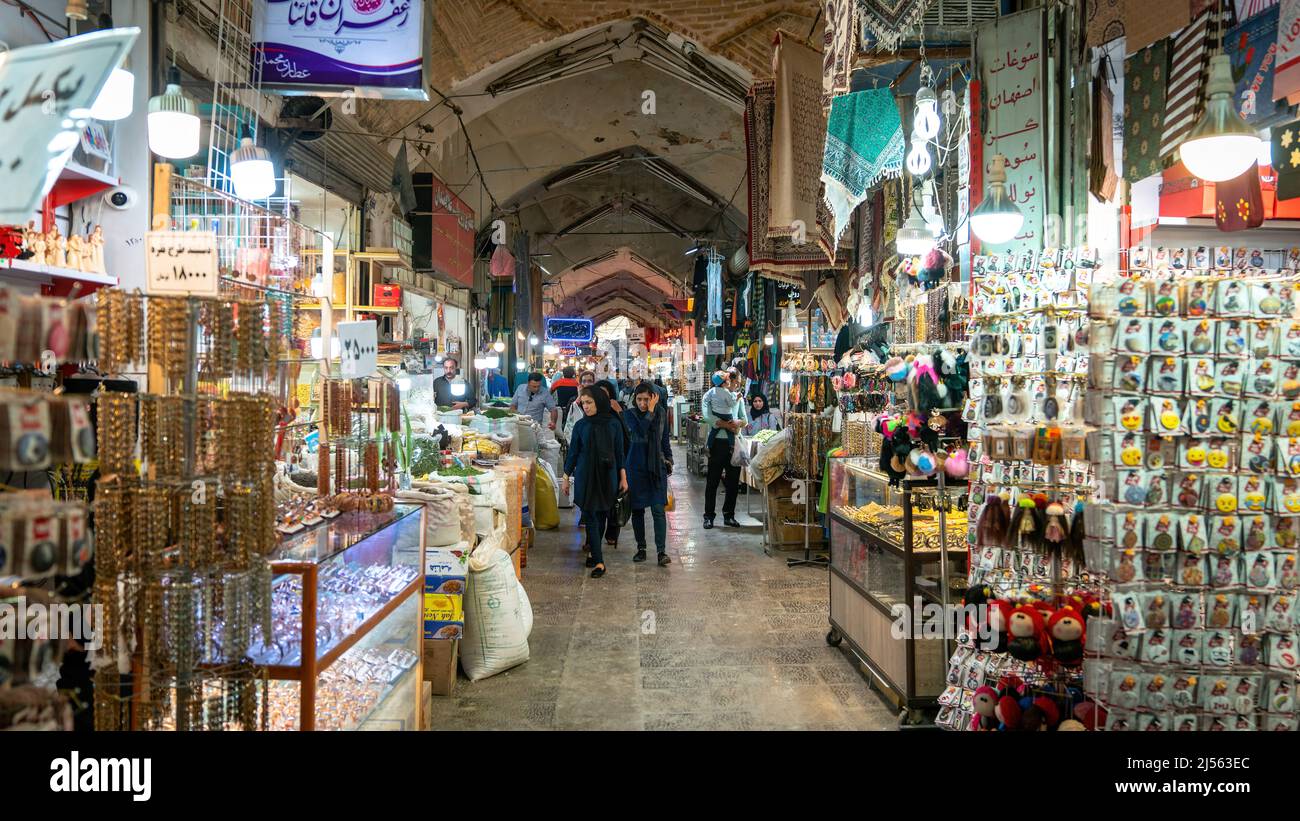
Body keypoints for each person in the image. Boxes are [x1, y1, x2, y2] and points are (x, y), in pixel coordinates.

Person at [563, 387, 628, 578]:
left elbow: (619, 453)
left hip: (608, 475)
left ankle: (594, 552)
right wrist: (566, 478)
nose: (586, 407)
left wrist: (623, 477)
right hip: (585, 475)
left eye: (589, 402)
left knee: (601, 515)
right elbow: (573, 453)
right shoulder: (581, 426)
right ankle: (599, 561)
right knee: (590, 514)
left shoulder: (613, 424)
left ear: (599, 402)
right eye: (584, 403)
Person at [623, 382, 672, 566]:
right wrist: (650, 411)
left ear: (654, 397)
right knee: (638, 510)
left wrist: (669, 459)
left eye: (647, 399)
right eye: (639, 399)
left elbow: (664, 438)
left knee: (658, 510)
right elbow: (640, 432)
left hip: (656, 466)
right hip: (636, 467)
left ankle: (661, 552)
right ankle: (641, 548)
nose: (643, 403)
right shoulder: (629, 415)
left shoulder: (661, 414)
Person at [701, 370, 746, 528]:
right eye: (732, 382)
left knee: (732, 483)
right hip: (716, 445)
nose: (735, 385)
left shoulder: (737, 398)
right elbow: (706, 416)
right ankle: (708, 516)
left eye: (737, 383)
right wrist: (726, 424)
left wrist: (737, 423)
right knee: (712, 481)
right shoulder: (710, 395)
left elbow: (745, 420)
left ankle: (729, 515)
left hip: (733, 444)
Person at [594, 379, 630, 547]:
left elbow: (628, 435)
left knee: (615, 499)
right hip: (595, 461)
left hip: (616, 460)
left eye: (605, 393)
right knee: (596, 501)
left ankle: (612, 532)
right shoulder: (591, 409)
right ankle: (592, 538)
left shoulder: (618, 408)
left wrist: (620, 412)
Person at [560, 369, 597, 444]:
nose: (587, 383)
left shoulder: (598, 398)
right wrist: (580, 396)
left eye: (590, 381)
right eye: (584, 381)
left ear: (594, 383)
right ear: (580, 383)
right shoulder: (574, 399)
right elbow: (569, 415)